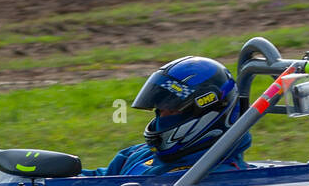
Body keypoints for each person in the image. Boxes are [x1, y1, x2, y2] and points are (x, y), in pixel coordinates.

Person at [83, 55, 250, 177]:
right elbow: (97, 181)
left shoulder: (217, 178)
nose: (162, 118)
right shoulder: (140, 154)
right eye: (159, 110)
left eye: (172, 111)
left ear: (205, 112)